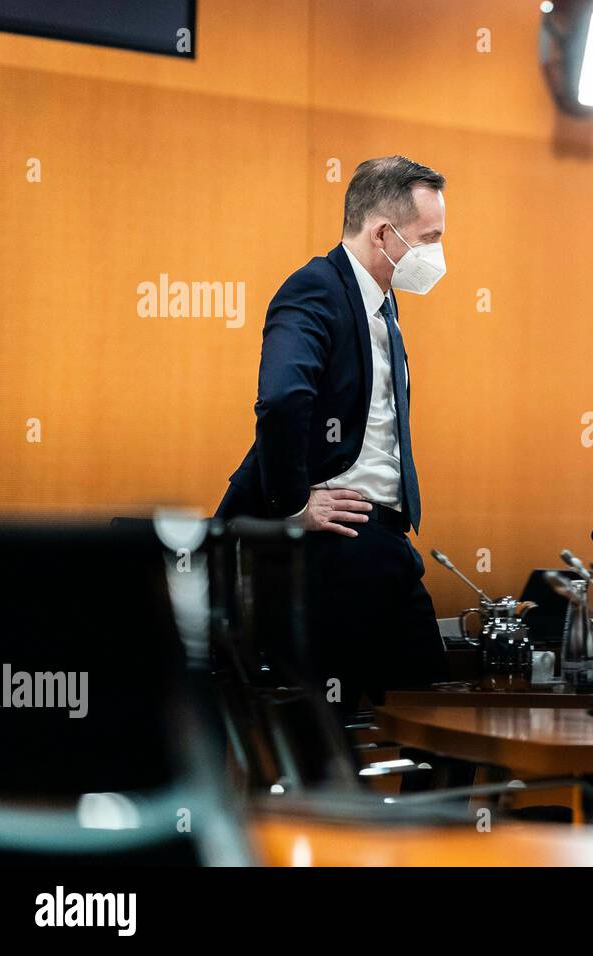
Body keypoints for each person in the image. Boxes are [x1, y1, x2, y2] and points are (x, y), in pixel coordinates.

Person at [217, 155, 450, 709]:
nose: (438, 253)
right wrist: (291, 505)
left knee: (437, 704)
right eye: (431, 237)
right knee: (337, 732)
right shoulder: (316, 289)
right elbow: (279, 401)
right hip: (337, 547)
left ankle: (417, 801)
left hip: (387, 540)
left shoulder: (383, 304)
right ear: (383, 234)